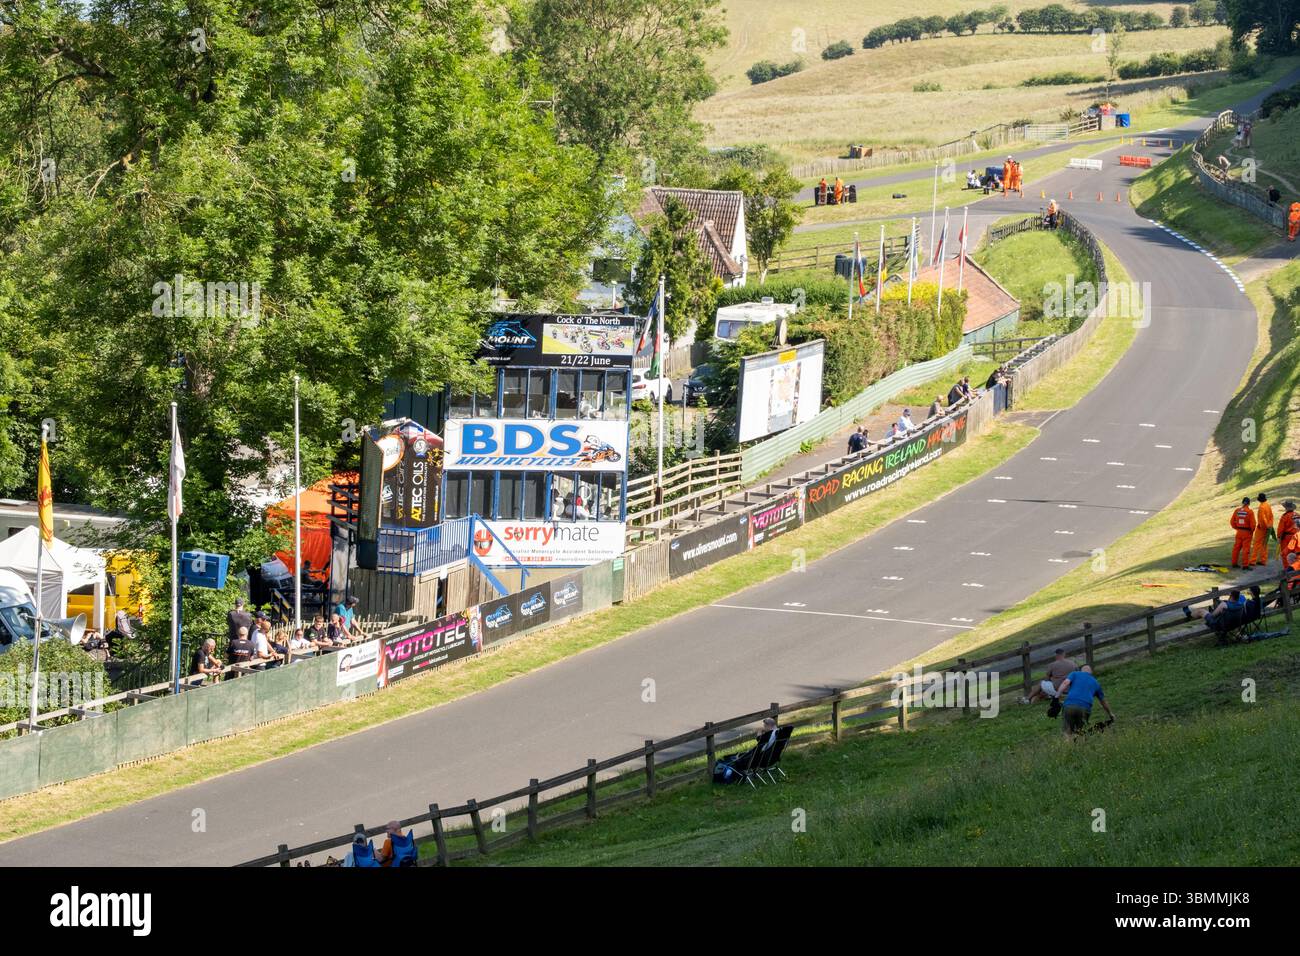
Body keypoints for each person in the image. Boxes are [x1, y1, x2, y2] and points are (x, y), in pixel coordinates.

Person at [713, 718, 780, 783]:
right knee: (742, 754)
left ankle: (738, 778)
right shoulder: (778, 733)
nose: (764, 728)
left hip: (760, 760)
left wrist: (759, 734)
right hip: (773, 758)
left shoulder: (769, 735)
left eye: (765, 726)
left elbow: (760, 747)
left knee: (736, 761)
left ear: (768, 725)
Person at [1055, 665, 1114, 737]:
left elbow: (1065, 683)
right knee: (1080, 733)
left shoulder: (1075, 674)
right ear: (1091, 672)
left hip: (1069, 705)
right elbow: (1103, 702)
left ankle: (1068, 746)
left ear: (1081, 670)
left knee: (1067, 732)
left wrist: (1056, 696)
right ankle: (1079, 745)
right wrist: (1110, 714)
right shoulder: (1096, 683)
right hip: (1085, 708)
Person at [1229, 496, 1256, 568]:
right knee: (1246, 549)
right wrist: (1251, 531)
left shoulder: (1237, 511)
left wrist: (1237, 528)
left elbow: (1232, 522)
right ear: (1249, 504)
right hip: (1247, 532)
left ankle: (1234, 563)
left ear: (1242, 503)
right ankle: (1245, 565)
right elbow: (1253, 524)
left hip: (1239, 532)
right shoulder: (1249, 512)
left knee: (1236, 548)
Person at [1250, 493, 1274, 568]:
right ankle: (1263, 560)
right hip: (1268, 527)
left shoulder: (1261, 507)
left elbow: (1262, 519)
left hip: (1262, 528)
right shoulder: (1268, 505)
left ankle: (1253, 561)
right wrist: (1269, 525)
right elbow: (1271, 516)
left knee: (1256, 544)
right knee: (1264, 544)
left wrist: (1264, 526)